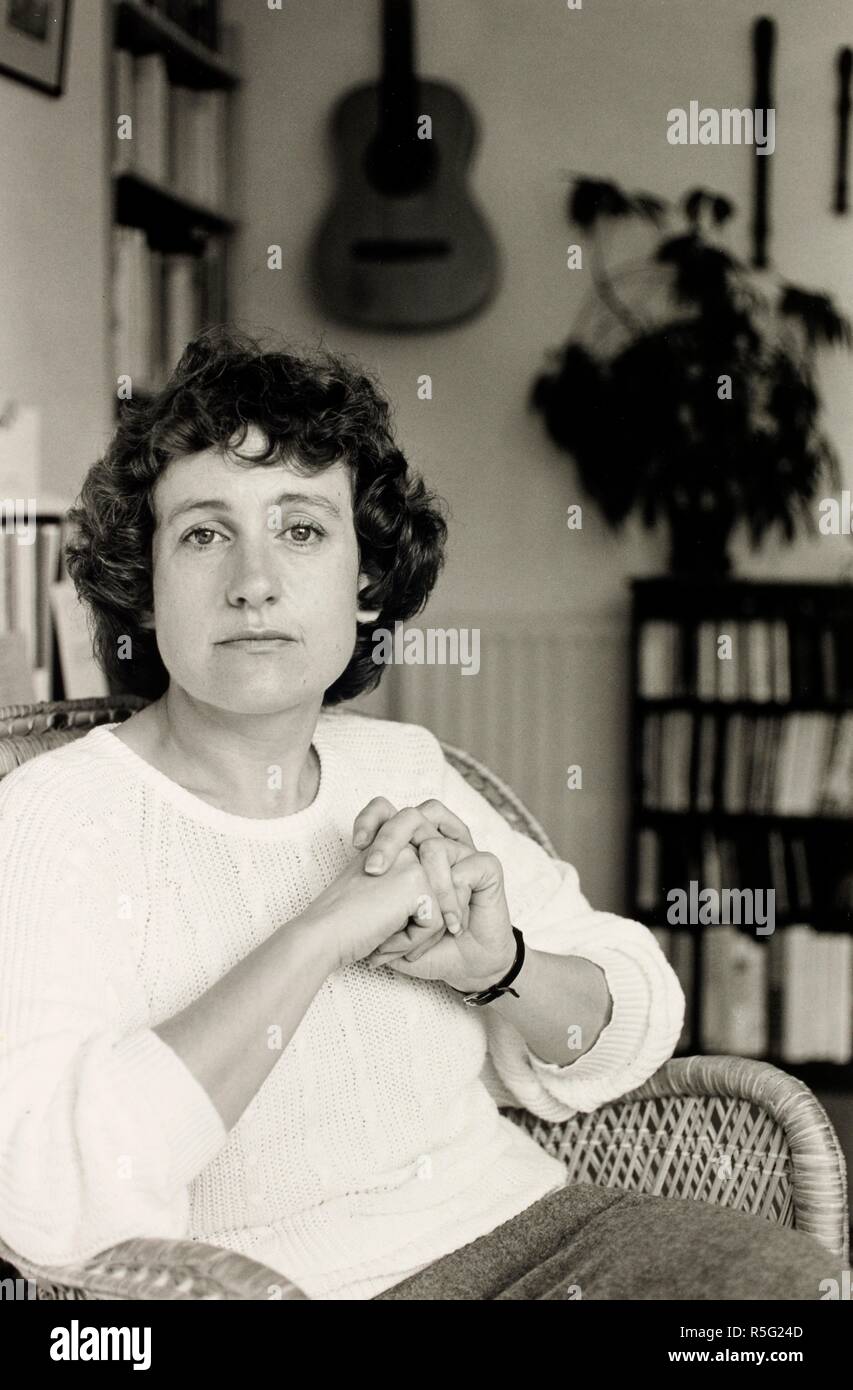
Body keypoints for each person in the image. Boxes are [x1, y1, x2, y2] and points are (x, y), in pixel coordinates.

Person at [0, 329, 843, 1301]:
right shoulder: (53, 818)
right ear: (143, 589)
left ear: (364, 583)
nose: (255, 580)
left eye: (302, 528)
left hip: (537, 1234)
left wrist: (501, 969)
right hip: (276, 1287)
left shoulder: (401, 766)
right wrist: (320, 929)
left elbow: (632, 1019)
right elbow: (47, 1189)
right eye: (203, 532)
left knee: (783, 1294)